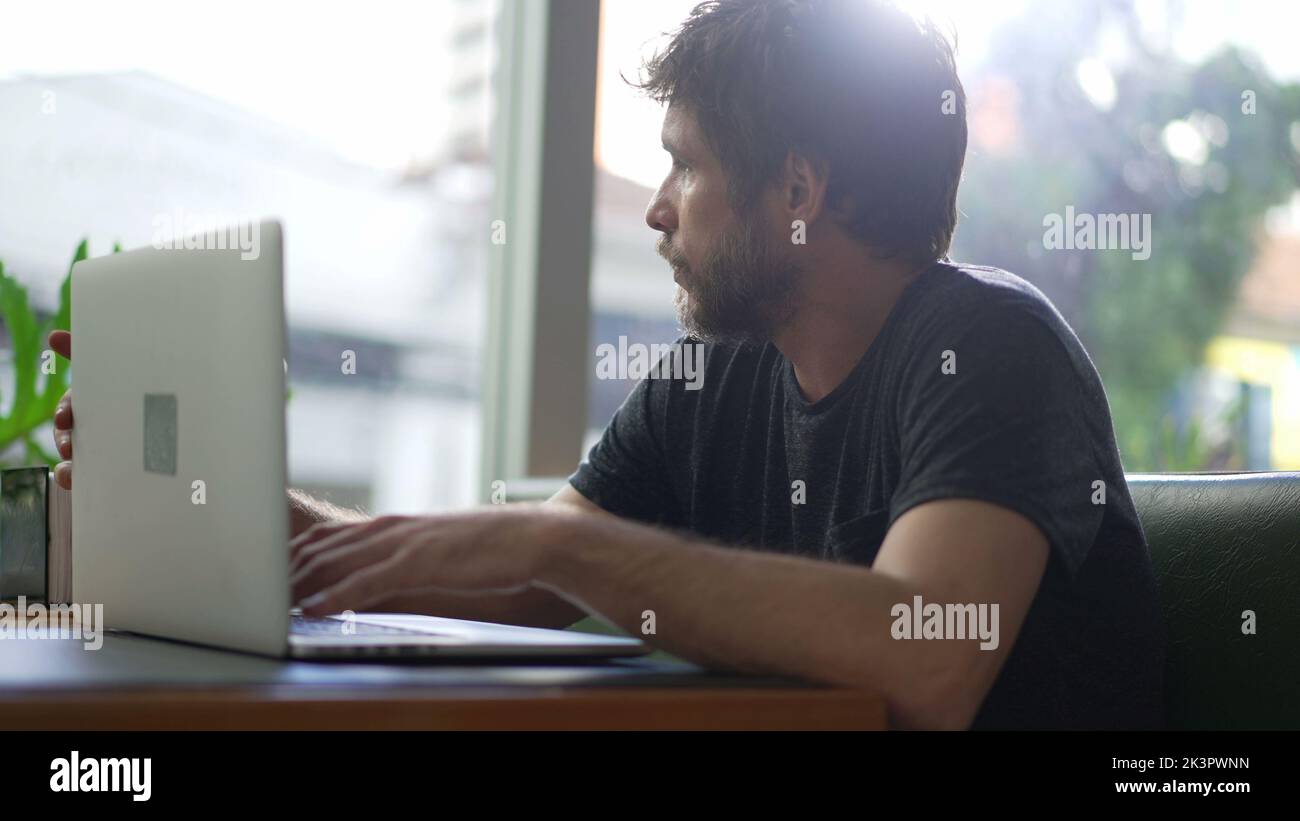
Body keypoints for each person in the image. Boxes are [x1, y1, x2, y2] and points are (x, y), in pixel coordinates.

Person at [50, 0, 1163, 730]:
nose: (660, 211)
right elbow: (530, 582)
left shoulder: (989, 347)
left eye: (682, 163)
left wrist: (556, 539)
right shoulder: (715, 374)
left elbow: (928, 654)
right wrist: (237, 510)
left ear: (796, 191)